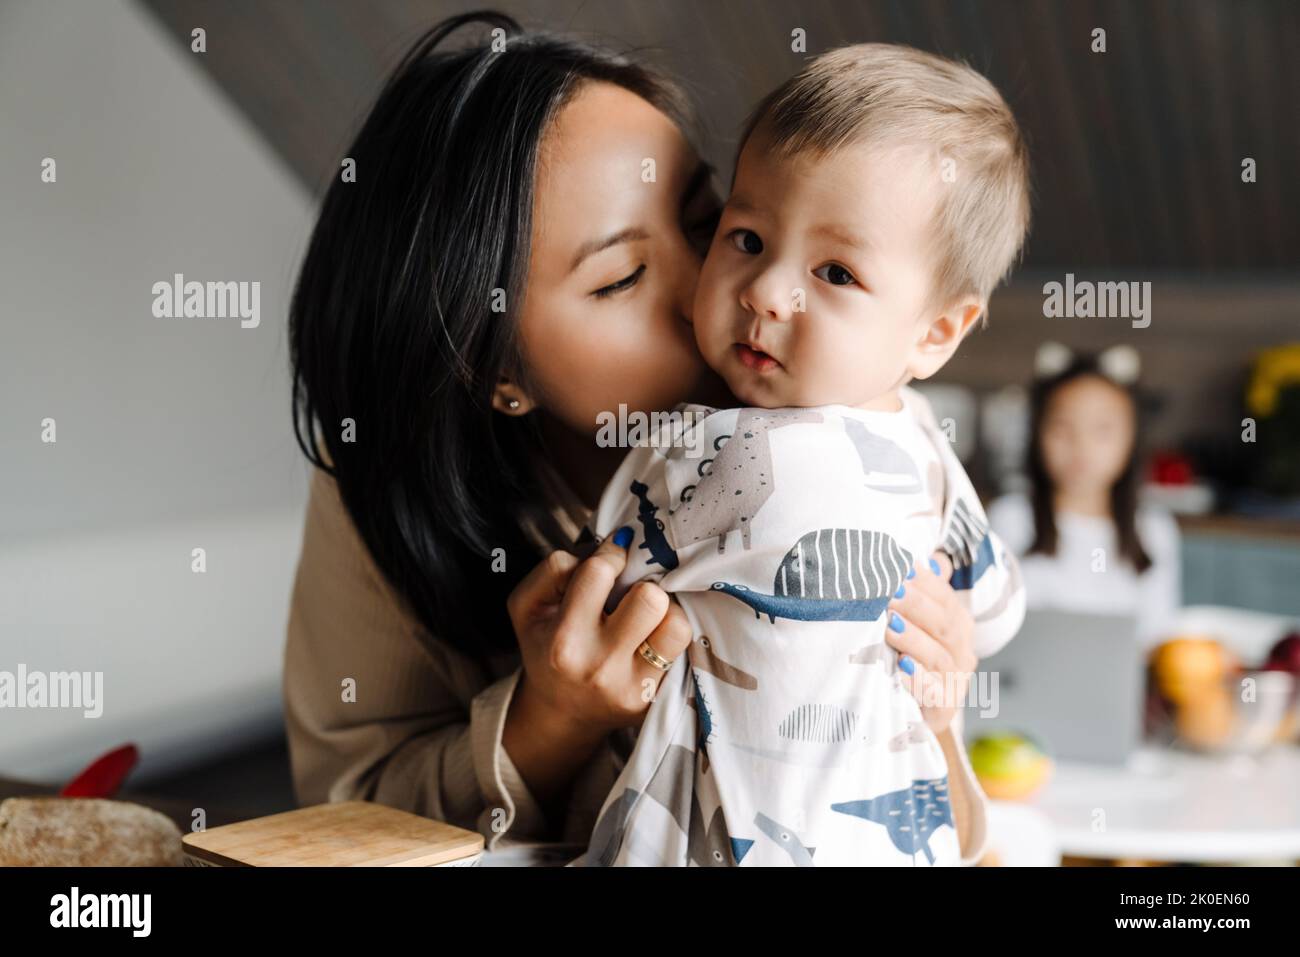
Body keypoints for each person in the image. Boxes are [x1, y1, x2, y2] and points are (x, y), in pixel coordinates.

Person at [283, 12, 993, 865]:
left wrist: (936, 712)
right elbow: (334, 821)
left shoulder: (869, 443)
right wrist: (552, 719)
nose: (743, 289)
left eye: (709, 221)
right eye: (621, 277)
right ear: (491, 371)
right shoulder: (379, 482)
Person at [575, 43, 1029, 867]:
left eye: (834, 272)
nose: (766, 292)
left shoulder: (694, 450)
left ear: (935, 331)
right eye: (746, 237)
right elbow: (996, 605)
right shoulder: (928, 443)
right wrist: (954, 634)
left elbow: (602, 581)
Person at [987, 343, 1182, 648]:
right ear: (1037, 434)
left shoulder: (1154, 530)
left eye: (1102, 430)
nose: (1082, 446)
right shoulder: (1010, 519)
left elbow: (1157, 638)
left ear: (1132, 438)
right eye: (1063, 428)